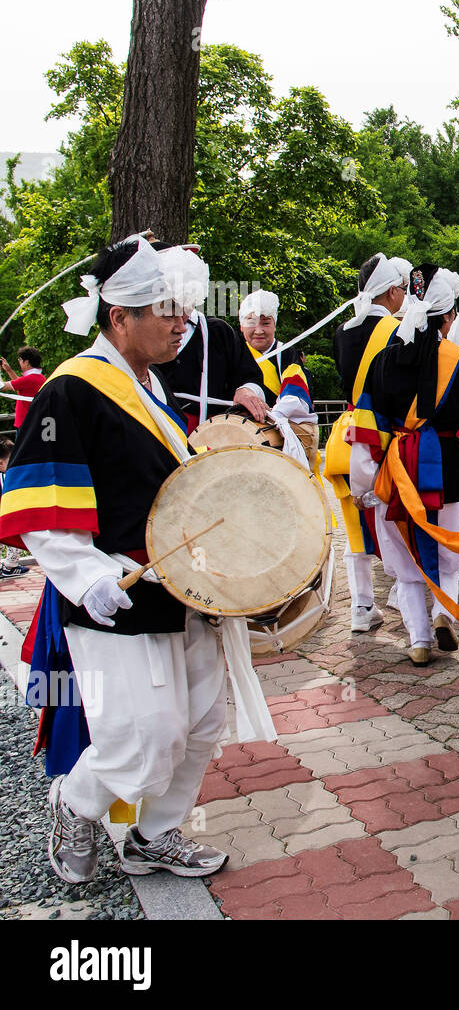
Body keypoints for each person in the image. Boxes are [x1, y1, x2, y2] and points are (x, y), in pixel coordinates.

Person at [1, 235, 272, 885]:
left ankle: (154, 834)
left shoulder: (152, 388)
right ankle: (75, 801)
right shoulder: (70, 391)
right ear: (120, 316)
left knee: (204, 721)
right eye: (166, 312)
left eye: (184, 310)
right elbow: (38, 506)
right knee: (143, 739)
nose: (183, 324)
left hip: (184, 591)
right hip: (115, 595)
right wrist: (87, 576)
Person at [349, 268, 459, 663]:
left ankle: (419, 640)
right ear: (449, 317)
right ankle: (442, 613)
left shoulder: (384, 362)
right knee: (448, 553)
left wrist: (363, 486)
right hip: (448, 466)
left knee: (404, 563)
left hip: (397, 467)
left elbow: (368, 430)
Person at [325, 254, 406, 633]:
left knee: (354, 524)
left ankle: (361, 606)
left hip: (346, 433)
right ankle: (402, 593)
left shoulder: (343, 330)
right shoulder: (399, 329)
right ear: (391, 291)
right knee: (396, 518)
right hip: (386, 436)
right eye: (402, 290)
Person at [149, 245, 269, 430]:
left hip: (212, 438)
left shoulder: (218, 332)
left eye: (186, 303)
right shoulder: (139, 339)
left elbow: (250, 376)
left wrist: (246, 390)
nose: (180, 321)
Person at [238, 290, 317, 471]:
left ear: (274, 325)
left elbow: (296, 394)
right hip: (242, 439)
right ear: (241, 325)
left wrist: (272, 416)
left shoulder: (287, 353)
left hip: (280, 438)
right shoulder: (234, 353)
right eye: (250, 322)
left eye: (266, 323)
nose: (258, 330)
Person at [0, 438, 28, 577]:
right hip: (6, 515)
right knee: (16, 531)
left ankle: (10, 566)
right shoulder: (6, 476)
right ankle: (10, 566)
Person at [1, 346, 46, 430]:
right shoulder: (39, 377)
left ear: (26, 362)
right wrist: (9, 370)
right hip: (32, 422)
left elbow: (2, 387)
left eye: (20, 359)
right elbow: (20, 384)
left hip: (25, 423)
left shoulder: (29, 379)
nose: (19, 361)